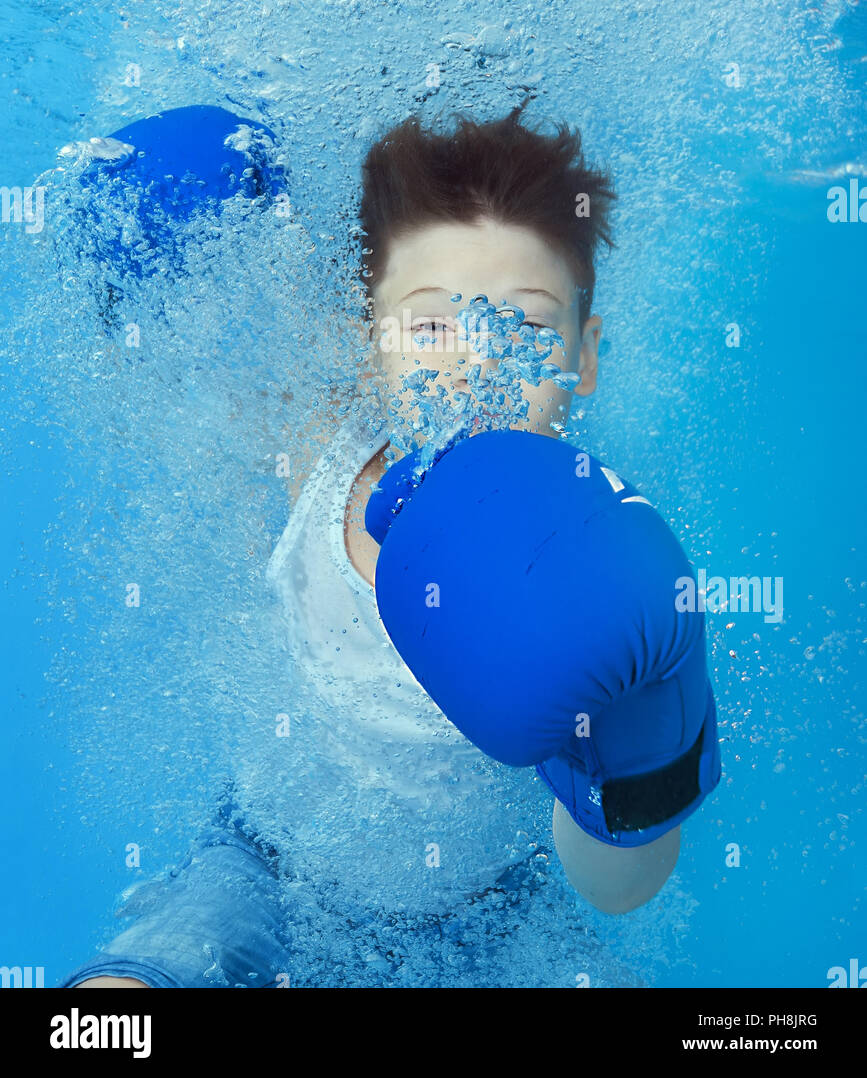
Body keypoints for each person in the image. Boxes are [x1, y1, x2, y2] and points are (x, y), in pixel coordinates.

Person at [61, 103, 718, 989]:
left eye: (525, 326)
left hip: (490, 901)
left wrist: (645, 741)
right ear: (366, 339)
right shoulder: (316, 451)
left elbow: (615, 890)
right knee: (121, 998)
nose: (476, 366)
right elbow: (173, 385)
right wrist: (136, 269)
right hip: (264, 868)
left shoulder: (594, 565)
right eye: (431, 325)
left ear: (585, 354)